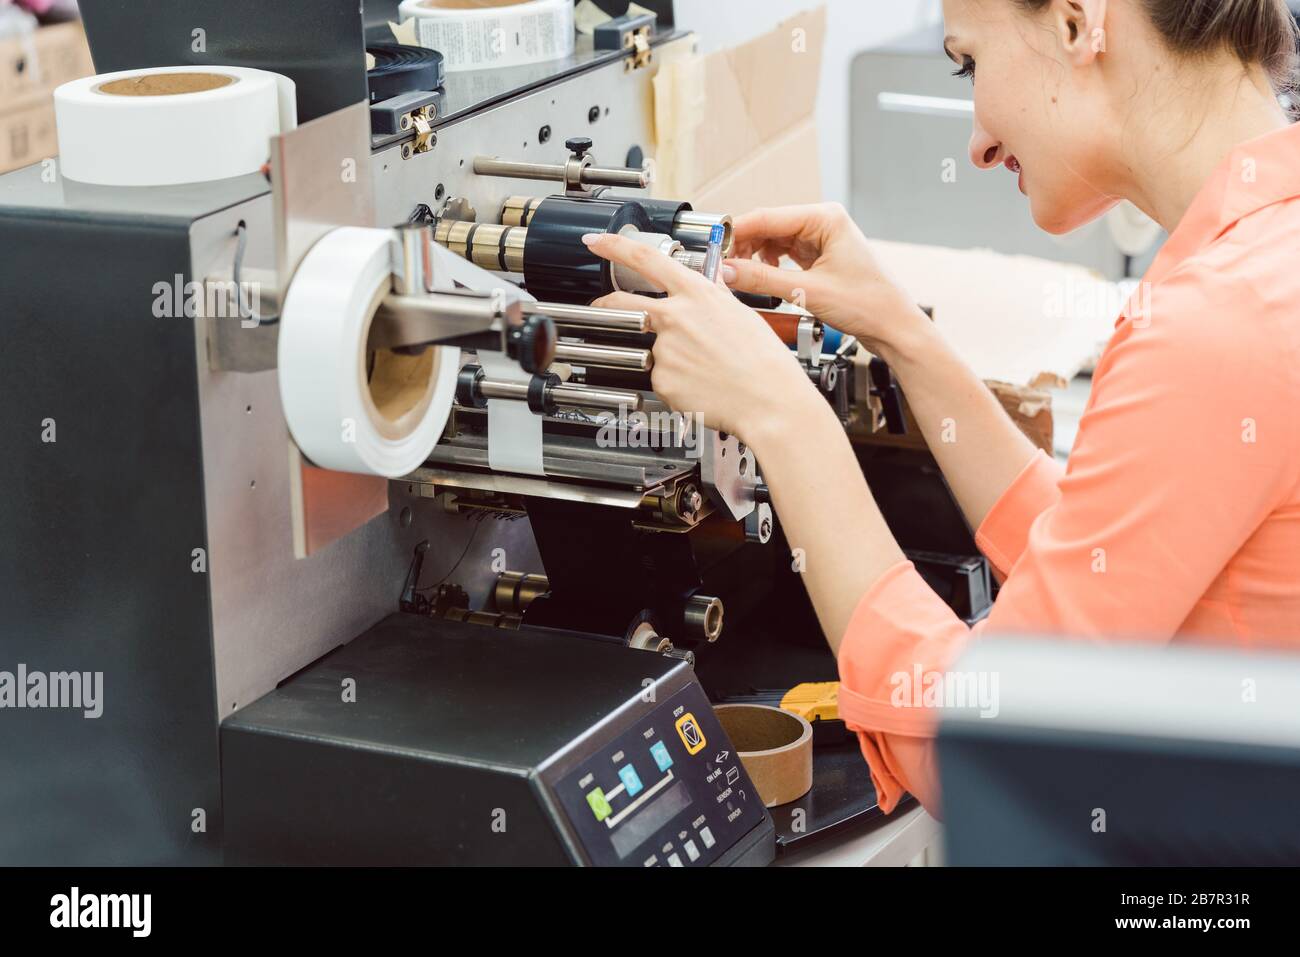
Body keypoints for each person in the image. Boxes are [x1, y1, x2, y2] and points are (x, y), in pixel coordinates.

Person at [580, 0, 1300, 816]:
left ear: (1076, 22)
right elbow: (1111, 574)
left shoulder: (1217, 327)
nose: (978, 145)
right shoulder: (1266, 267)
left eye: (969, 64)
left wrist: (782, 415)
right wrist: (902, 336)